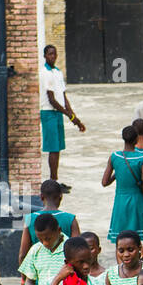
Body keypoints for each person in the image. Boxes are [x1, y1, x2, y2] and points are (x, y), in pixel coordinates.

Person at [39, 45, 84, 190]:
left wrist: (74, 118)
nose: (53, 56)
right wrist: (69, 116)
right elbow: (52, 99)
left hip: (57, 113)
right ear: (45, 56)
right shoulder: (45, 73)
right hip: (48, 112)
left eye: (54, 54)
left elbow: (63, 97)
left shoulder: (57, 72)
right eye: (50, 54)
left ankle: (56, 181)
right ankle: (52, 182)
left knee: (57, 148)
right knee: (52, 148)